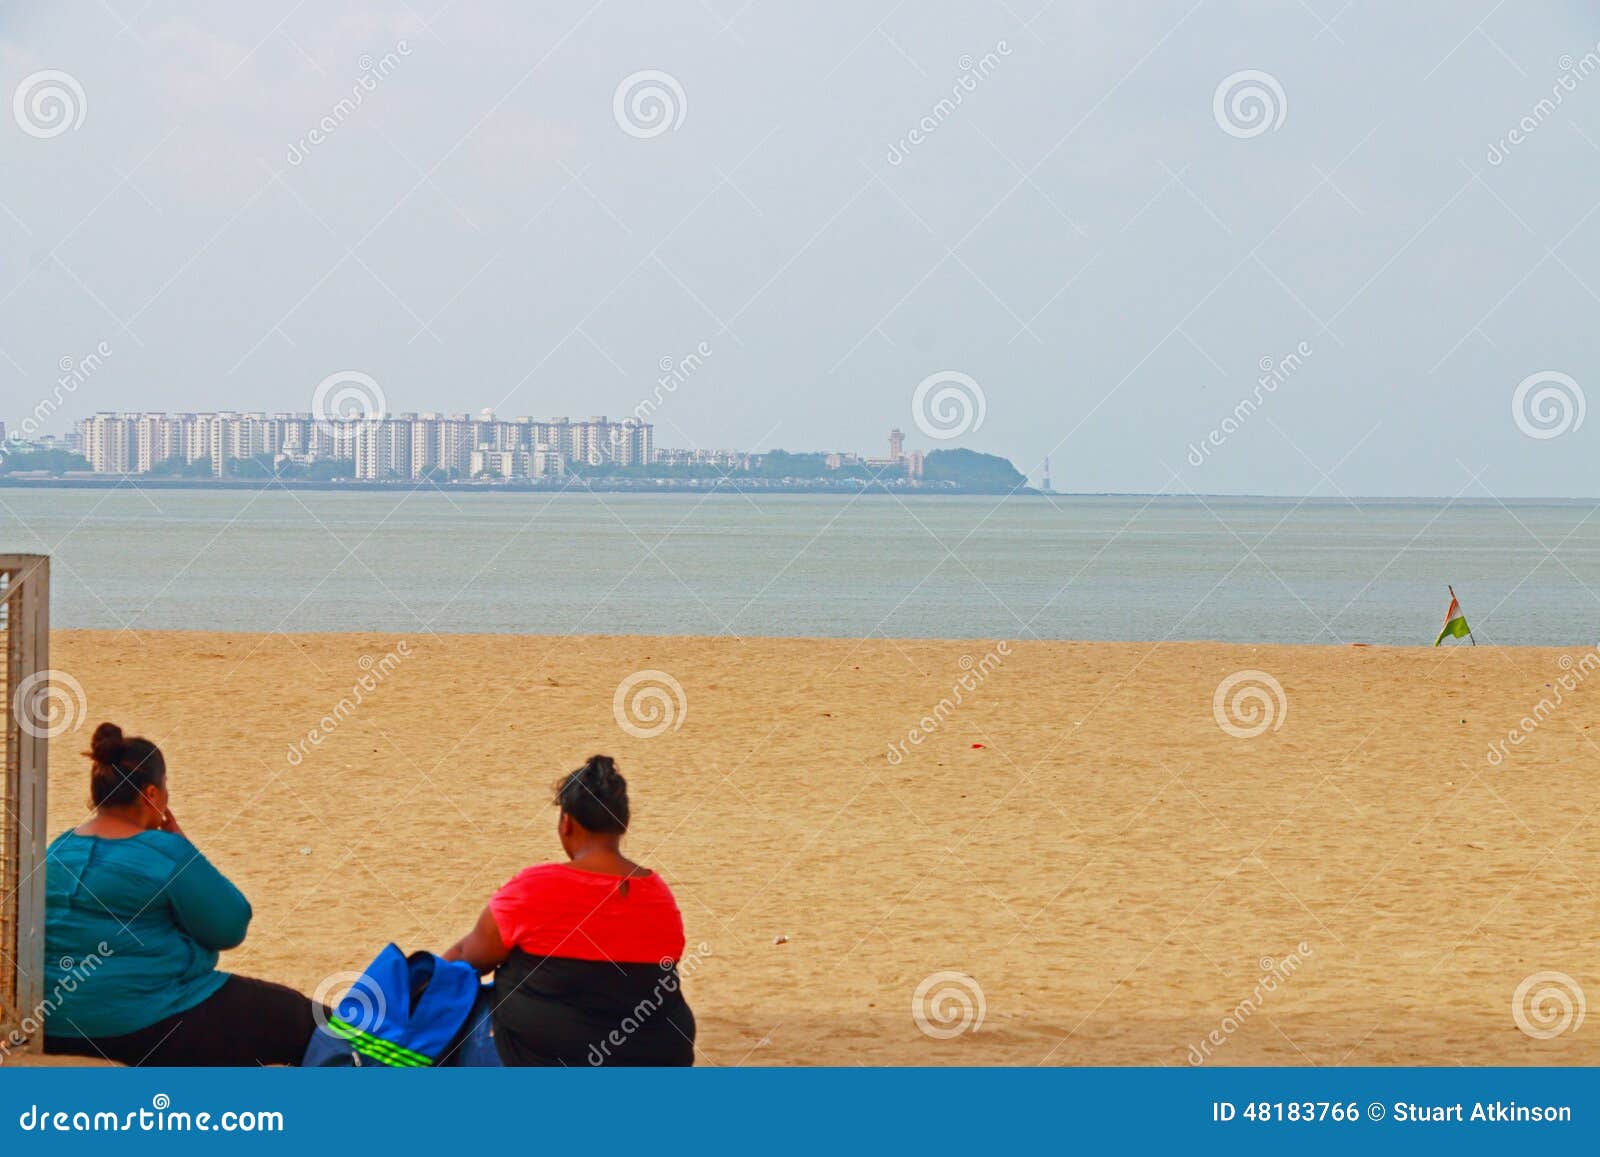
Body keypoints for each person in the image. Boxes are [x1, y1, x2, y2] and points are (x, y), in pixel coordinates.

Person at [42, 722, 320, 1066]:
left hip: (54, 1024)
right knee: (302, 1016)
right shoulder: (163, 852)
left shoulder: (58, 850)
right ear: (152, 795)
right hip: (145, 1022)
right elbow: (229, 927)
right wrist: (183, 846)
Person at [443, 755, 696, 1066]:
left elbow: (469, 956)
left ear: (567, 823)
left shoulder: (533, 888)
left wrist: (416, 982)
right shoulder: (659, 896)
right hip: (656, 1059)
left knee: (445, 1020)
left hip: (542, 1060)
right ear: (622, 824)